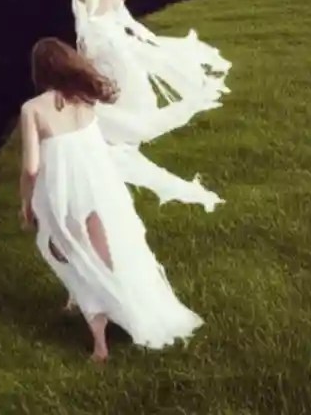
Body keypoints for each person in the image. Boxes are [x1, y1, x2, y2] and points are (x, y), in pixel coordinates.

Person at [19, 38, 204, 362]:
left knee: (72, 255)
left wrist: (25, 203)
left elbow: (31, 168)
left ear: (39, 71)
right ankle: (109, 302)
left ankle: (100, 344)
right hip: (100, 189)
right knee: (108, 254)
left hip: (61, 194)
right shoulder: (87, 99)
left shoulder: (33, 110)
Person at [70, 0, 230, 210]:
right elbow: (126, 22)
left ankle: (117, 129)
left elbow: (84, 29)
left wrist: (81, 59)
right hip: (120, 47)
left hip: (101, 48)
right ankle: (128, 124)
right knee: (126, 86)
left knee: (107, 88)